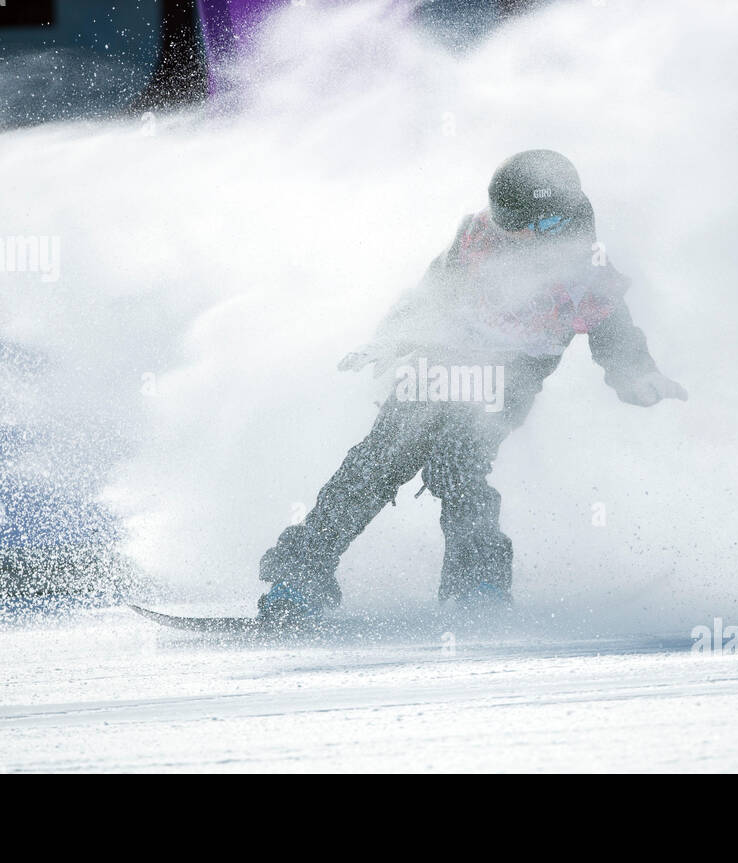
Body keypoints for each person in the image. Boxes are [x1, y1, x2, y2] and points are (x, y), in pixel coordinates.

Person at [257, 149, 687, 623]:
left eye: (525, 226)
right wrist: (391, 339)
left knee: (456, 465)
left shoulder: (585, 266)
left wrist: (637, 376)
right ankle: (300, 575)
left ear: (554, 220)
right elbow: (432, 293)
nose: (513, 235)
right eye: (506, 224)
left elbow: (615, 332)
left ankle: (477, 583)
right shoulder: (479, 234)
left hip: (512, 372)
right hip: (443, 359)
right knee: (379, 458)